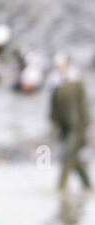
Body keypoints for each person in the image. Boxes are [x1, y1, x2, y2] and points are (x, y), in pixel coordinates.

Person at [50, 56, 91, 192]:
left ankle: (61, 187)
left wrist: (85, 124)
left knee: (67, 156)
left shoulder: (76, 83)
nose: (61, 69)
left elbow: (83, 104)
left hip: (77, 126)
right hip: (64, 127)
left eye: (62, 66)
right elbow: (53, 107)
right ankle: (87, 186)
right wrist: (54, 123)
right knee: (74, 157)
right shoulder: (56, 84)